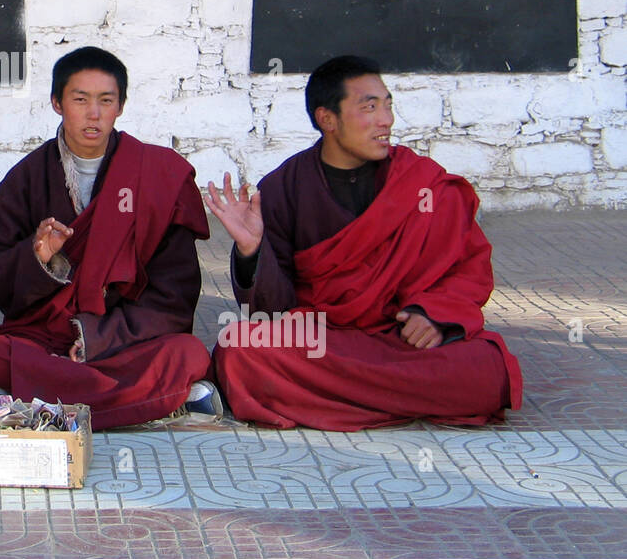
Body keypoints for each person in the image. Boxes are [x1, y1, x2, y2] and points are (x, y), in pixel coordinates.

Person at [205, 54, 523, 430]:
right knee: (241, 348)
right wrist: (252, 250)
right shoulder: (284, 190)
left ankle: (321, 400)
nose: (386, 120)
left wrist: (433, 315)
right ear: (328, 119)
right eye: (369, 107)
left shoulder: (424, 185)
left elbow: (467, 270)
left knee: (486, 368)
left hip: (400, 340)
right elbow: (272, 312)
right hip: (323, 338)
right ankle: (398, 402)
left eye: (387, 105)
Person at [0, 47, 216, 429]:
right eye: (80, 100)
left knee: (189, 352)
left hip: (126, 338)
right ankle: (157, 399)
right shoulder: (28, 178)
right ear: (57, 103)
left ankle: (53, 401)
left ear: (121, 106)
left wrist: (98, 337)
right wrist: (38, 260)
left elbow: (175, 292)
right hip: (49, 337)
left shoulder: (156, 175)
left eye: (106, 100)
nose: (93, 114)